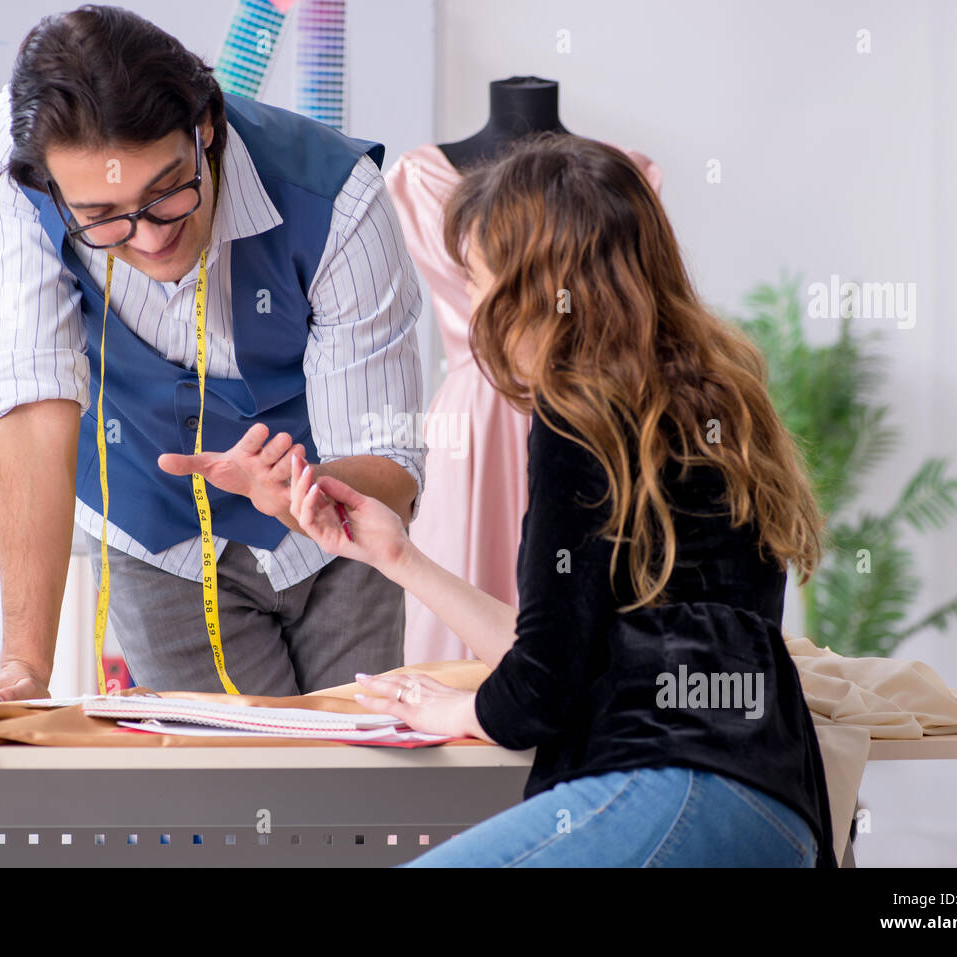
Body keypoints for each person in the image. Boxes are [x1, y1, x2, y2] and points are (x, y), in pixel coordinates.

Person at [282, 133, 838, 867]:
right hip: (773, 807)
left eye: (478, 278)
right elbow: (571, 650)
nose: (475, 304)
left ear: (538, 288)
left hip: (675, 786)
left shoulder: (579, 413)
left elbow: (541, 688)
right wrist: (397, 556)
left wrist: (454, 708)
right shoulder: (715, 399)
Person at [0, 6, 424, 704]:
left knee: (353, 777)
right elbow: (29, 393)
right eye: (104, 217)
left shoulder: (340, 200)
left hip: (338, 536)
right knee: (229, 791)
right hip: (155, 531)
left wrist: (301, 493)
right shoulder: (21, 158)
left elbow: (392, 464)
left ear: (205, 130)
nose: (145, 240)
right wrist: (26, 663)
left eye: (166, 193)